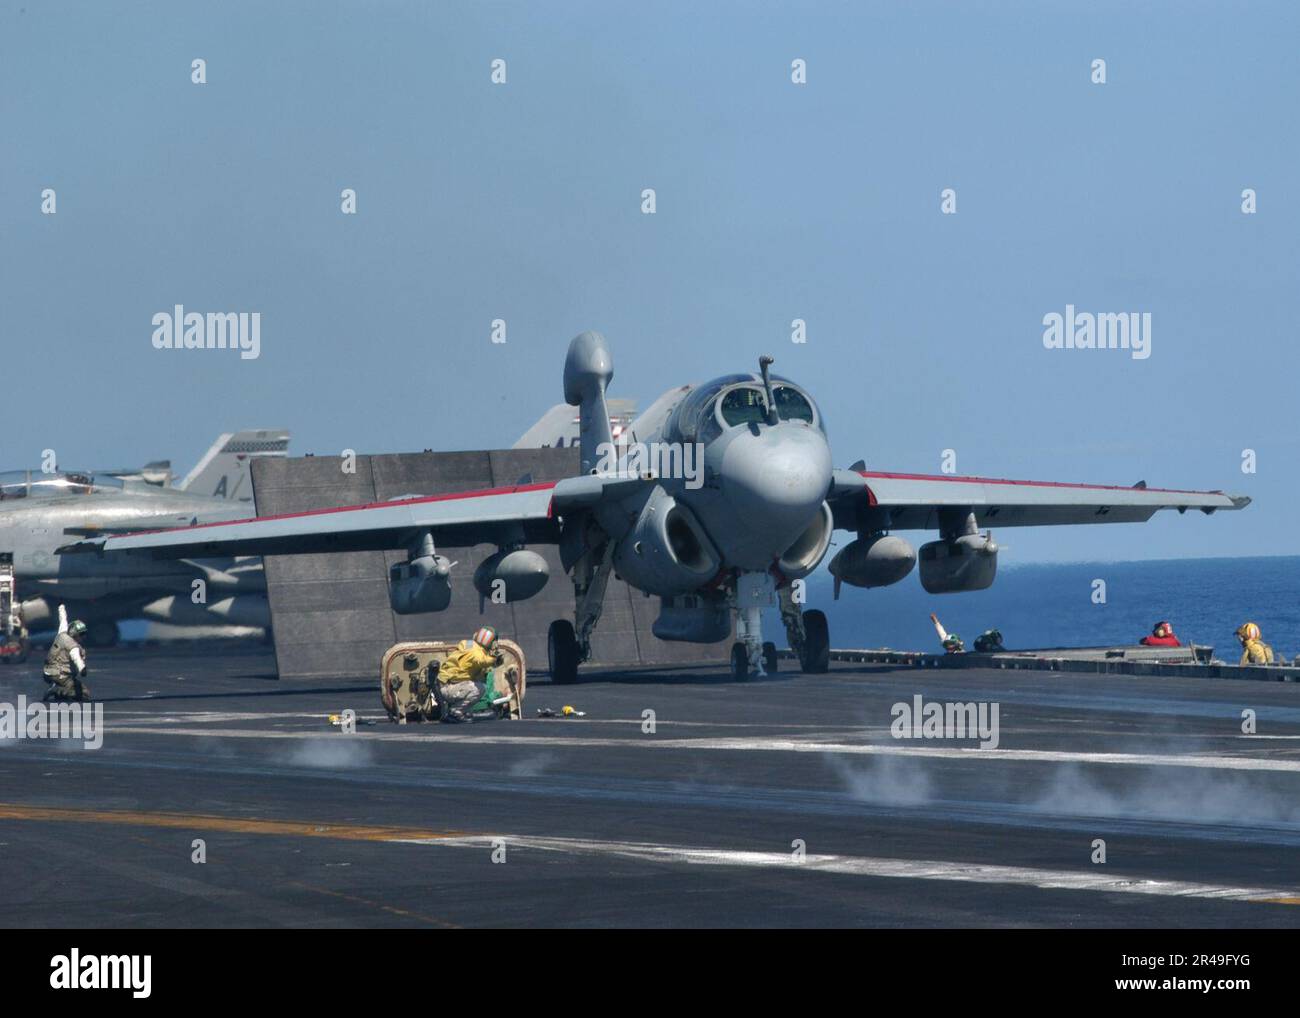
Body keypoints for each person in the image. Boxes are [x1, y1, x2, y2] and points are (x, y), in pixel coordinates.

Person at [435, 626, 502, 722]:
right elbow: (481, 661)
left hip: (443, 684)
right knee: (479, 688)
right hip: (448, 688)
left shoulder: (468, 644)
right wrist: (494, 658)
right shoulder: (478, 654)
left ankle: (457, 708)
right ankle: (456, 711)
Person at [43, 616, 91, 702]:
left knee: (71, 690)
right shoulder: (72, 646)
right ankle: (58, 690)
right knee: (84, 694)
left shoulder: (61, 634)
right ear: (74, 634)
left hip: (48, 672)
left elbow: (63, 620)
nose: (83, 637)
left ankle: (60, 691)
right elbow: (77, 659)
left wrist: (61, 607)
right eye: (81, 634)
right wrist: (82, 669)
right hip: (61, 675)